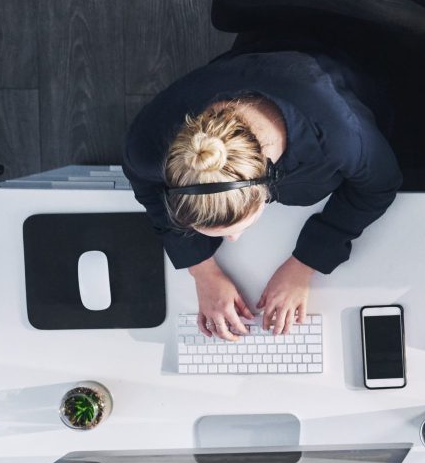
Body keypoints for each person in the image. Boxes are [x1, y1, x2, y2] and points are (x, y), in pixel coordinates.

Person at [123, 51, 401, 340]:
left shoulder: (339, 138)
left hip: (358, 65)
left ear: (265, 186)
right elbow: (145, 184)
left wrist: (306, 262)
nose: (232, 239)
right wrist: (202, 270)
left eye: (237, 228)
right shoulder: (148, 144)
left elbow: (379, 185)